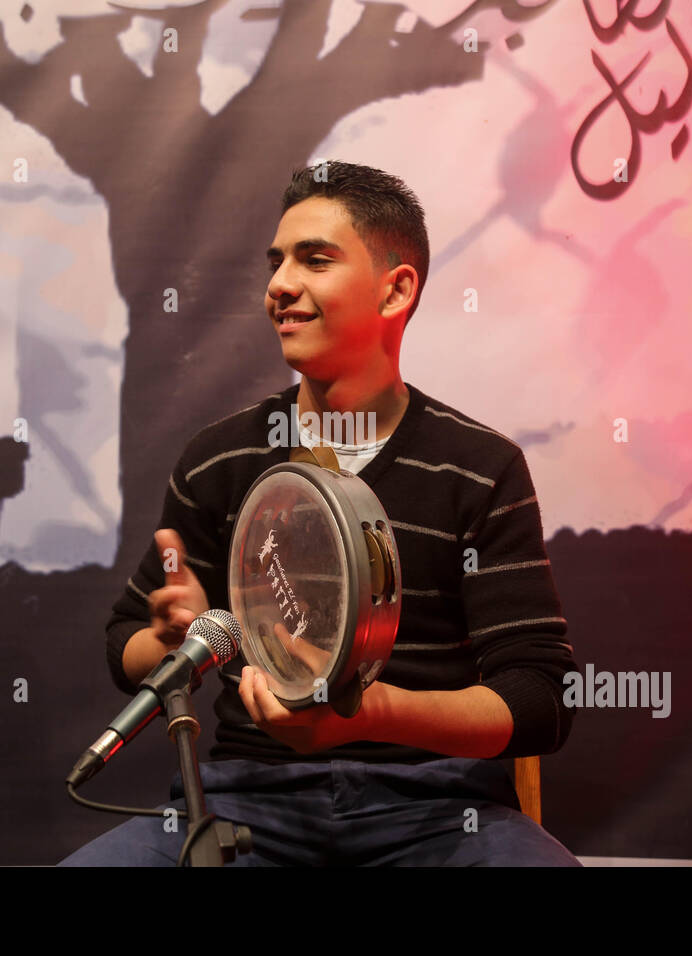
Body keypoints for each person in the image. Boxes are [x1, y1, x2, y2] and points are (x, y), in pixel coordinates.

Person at [60, 162, 580, 866]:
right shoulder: (223, 459)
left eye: (315, 259)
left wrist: (370, 716)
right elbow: (128, 647)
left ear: (396, 290)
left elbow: (539, 699)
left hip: (439, 812)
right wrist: (168, 636)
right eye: (276, 263)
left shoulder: (479, 468)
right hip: (247, 805)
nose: (279, 285)